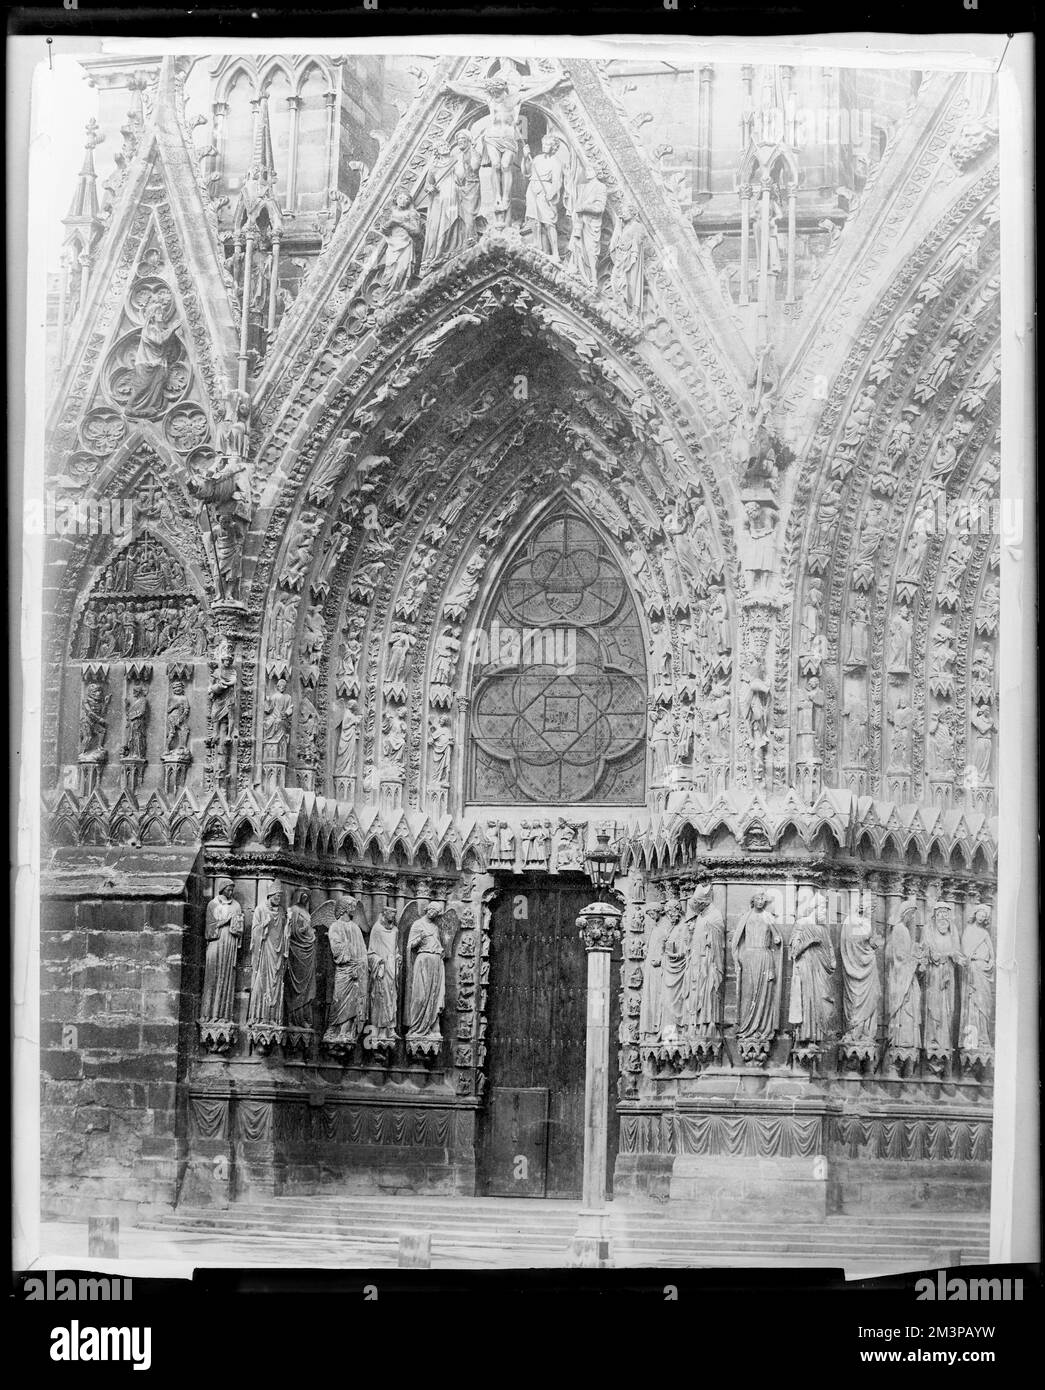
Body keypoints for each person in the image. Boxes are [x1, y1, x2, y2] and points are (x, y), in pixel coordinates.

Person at [731, 891, 782, 1050]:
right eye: (757, 899)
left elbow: (776, 935)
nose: (760, 901)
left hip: (764, 956)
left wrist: (776, 939)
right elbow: (737, 940)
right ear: (753, 900)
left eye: (762, 899)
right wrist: (736, 958)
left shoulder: (768, 916)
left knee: (764, 995)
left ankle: (762, 1028)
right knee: (748, 993)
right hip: (749, 957)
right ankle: (746, 1027)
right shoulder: (746, 916)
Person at [325, 898, 369, 1048]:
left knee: (353, 1002)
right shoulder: (335, 926)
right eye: (351, 906)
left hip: (356, 971)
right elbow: (336, 947)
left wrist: (360, 965)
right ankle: (334, 1031)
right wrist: (350, 954)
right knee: (340, 999)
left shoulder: (355, 928)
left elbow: (363, 951)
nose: (353, 909)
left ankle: (347, 1032)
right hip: (344, 969)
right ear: (344, 908)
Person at [200, 879, 244, 1021]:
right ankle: (208, 1014)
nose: (230, 892)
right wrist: (224, 921)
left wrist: (238, 924)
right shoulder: (212, 904)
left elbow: (239, 928)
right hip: (216, 942)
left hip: (230, 942)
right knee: (213, 975)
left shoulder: (236, 905)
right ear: (222, 889)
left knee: (226, 976)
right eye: (228, 889)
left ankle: (223, 1015)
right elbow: (209, 928)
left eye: (232, 889)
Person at [247, 881, 290, 1026]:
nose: (278, 898)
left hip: (278, 953)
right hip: (265, 950)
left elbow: (285, 933)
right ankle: (259, 1017)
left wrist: (288, 925)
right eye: (276, 896)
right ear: (270, 895)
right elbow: (255, 932)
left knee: (276, 982)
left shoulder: (282, 911)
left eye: (280, 896)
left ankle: (272, 1017)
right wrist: (264, 924)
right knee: (262, 981)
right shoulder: (260, 910)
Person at [406, 903, 447, 1047]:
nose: (432, 913)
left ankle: (430, 1027)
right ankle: (417, 1027)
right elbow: (410, 945)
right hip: (423, 960)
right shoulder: (418, 924)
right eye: (431, 910)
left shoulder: (436, 927)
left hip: (435, 962)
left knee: (434, 995)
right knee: (420, 995)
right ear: (427, 909)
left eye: (436, 912)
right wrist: (420, 938)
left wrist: (440, 951)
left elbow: (438, 943)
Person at [366, 907, 400, 1047]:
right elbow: (371, 952)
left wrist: (398, 957)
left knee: (392, 998)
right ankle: (379, 1031)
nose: (391, 918)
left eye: (394, 915)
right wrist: (378, 960)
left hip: (392, 970)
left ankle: (390, 1028)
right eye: (389, 915)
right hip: (381, 970)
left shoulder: (396, 931)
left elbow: (395, 949)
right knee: (381, 999)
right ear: (384, 915)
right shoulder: (377, 929)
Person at [286, 890, 317, 1029]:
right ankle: (295, 1018)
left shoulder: (306, 911)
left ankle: (304, 1017)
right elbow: (292, 931)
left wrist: (311, 933)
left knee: (308, 986)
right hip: (297, 950)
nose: (305, 898)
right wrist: (304, 929)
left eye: (307, 897)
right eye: (303, 896)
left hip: (309, 950)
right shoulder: (294, 910)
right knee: (296, 986)